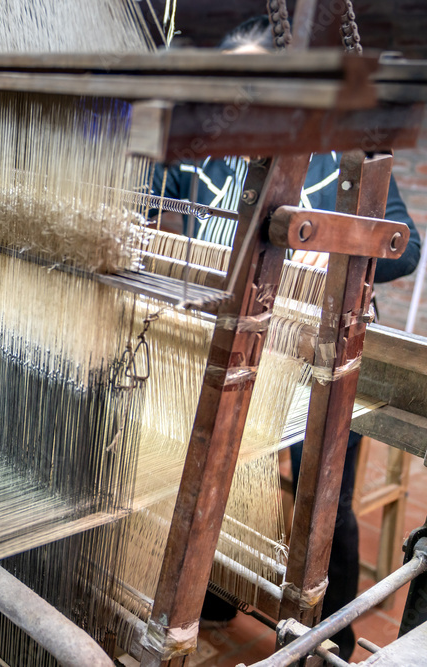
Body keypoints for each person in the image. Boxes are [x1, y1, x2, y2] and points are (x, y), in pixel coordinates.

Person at [150, 15, 423, 660]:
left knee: (317, 497)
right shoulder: (201, 148)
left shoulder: (343, 148)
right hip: (227, 340)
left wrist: (318, 255)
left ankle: (331, 637)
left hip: (317, 353)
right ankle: (213, 589)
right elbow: (157, 210)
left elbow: (404, 246)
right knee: (213, 465)